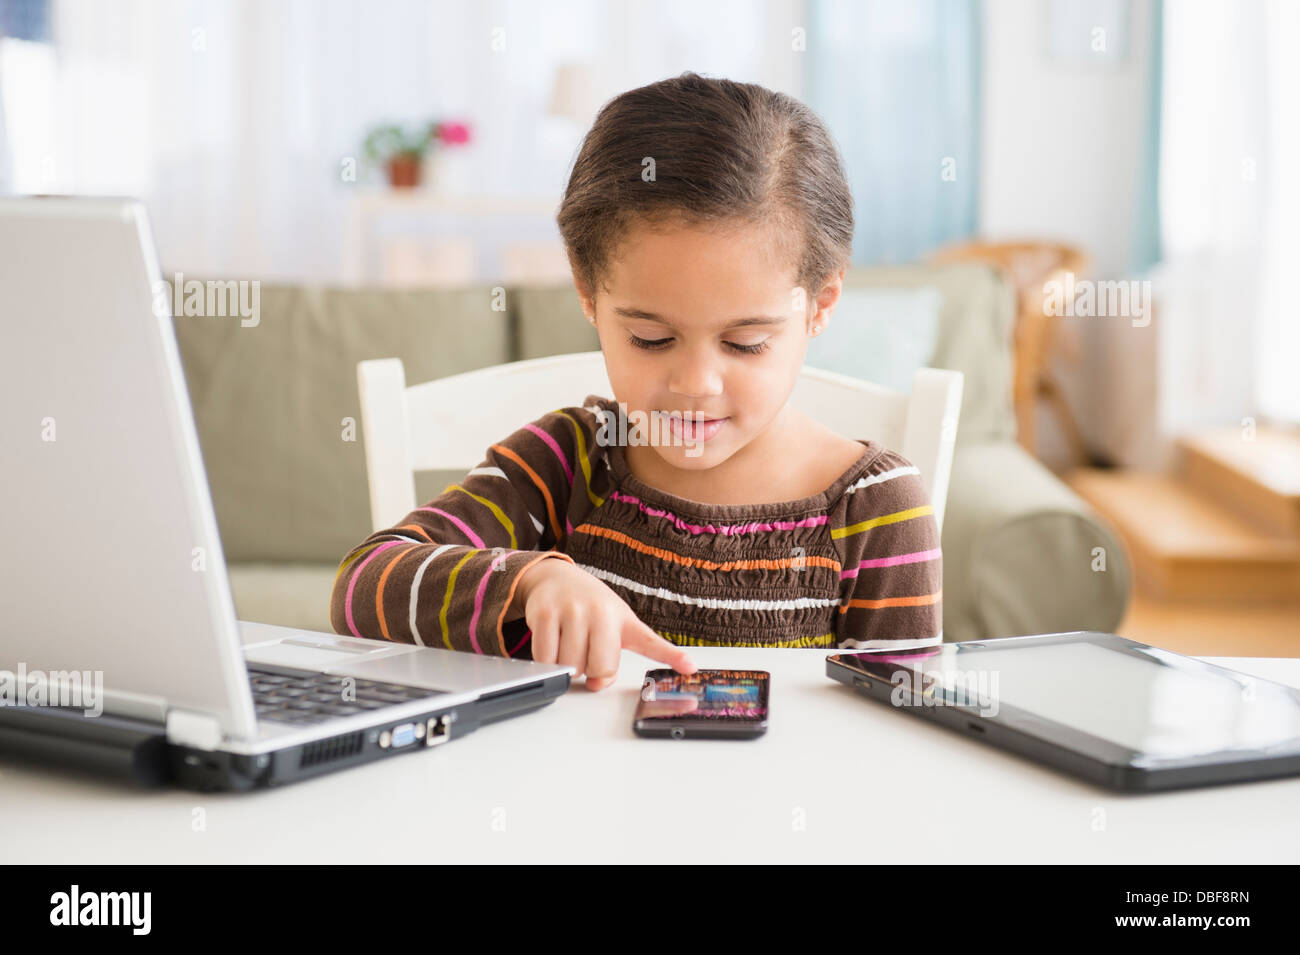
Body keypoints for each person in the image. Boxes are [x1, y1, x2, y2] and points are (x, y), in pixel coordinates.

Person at [330, 72, 943, 691]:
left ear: (820, 303)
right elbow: (361, 589)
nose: (696, 383)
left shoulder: (876, 511)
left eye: (745, 342)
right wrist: (531, 579)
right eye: (651, 338)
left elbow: (904, 721)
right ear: (587, 292)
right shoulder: (567, 462)